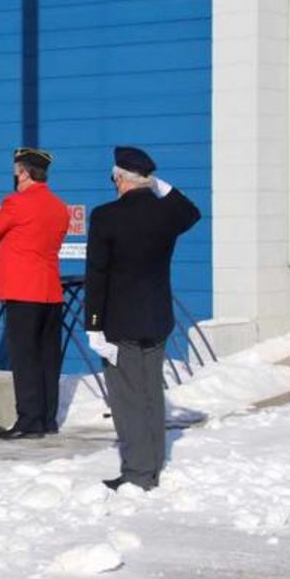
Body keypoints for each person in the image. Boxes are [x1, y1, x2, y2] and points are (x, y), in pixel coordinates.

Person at [84, 146, 201, 492]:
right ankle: (152, 465)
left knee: (127, 399)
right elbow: (191, 212)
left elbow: (97, 273)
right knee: (151, 393)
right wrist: (157, 184)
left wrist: (93, 323)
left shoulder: (106, 216)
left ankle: (137, 472)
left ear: (120, 179)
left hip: (119, 321)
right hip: (157, 317)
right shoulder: (166, 214)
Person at [0, 147, 70, 440]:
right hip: (50, 292)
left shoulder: (16, 203)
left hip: (23, 292)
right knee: (47, 357)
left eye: (16, 172)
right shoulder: (59, 207)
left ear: (25, 173)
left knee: (25, 358)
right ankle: (47, 419)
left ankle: (28, 421)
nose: (15, 177)